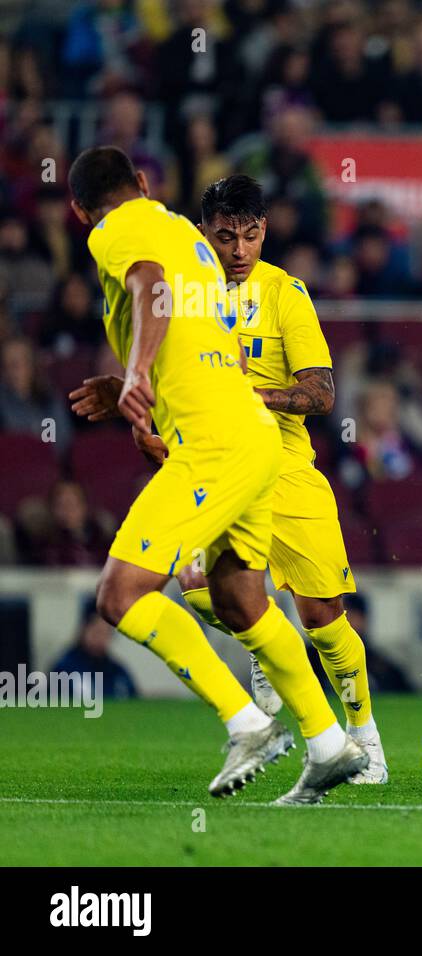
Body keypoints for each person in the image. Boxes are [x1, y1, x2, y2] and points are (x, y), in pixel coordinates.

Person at [65, 147, 366, 803]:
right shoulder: (185, 236)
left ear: (80, 210)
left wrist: (138, 374)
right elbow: (207, 341)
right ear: (145, 182)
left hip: (214, 444)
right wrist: (135, 381)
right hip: (257, 438)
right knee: (239, 600)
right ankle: (327, 742)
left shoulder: (115, 231)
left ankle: (247, 722)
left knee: (120, 595)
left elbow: (151, 287)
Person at [177, 175, 386, 783]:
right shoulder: (185, 297)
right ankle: (263, 640)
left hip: (285, 465)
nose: (239, 250)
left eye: (249, 235)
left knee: (323, 617)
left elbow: (321, 394)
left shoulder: (283, 294)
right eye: (224, 237)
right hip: (213, 467)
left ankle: (364, 736)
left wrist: (250, 393)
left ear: (264, 230)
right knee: (196, 585)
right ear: (203, 234)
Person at [51, 602, 137, 699]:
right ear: (84, 630)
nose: (100, 638)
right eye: (97, 631)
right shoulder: (65, 669)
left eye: (106, 632)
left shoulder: (118, 672)